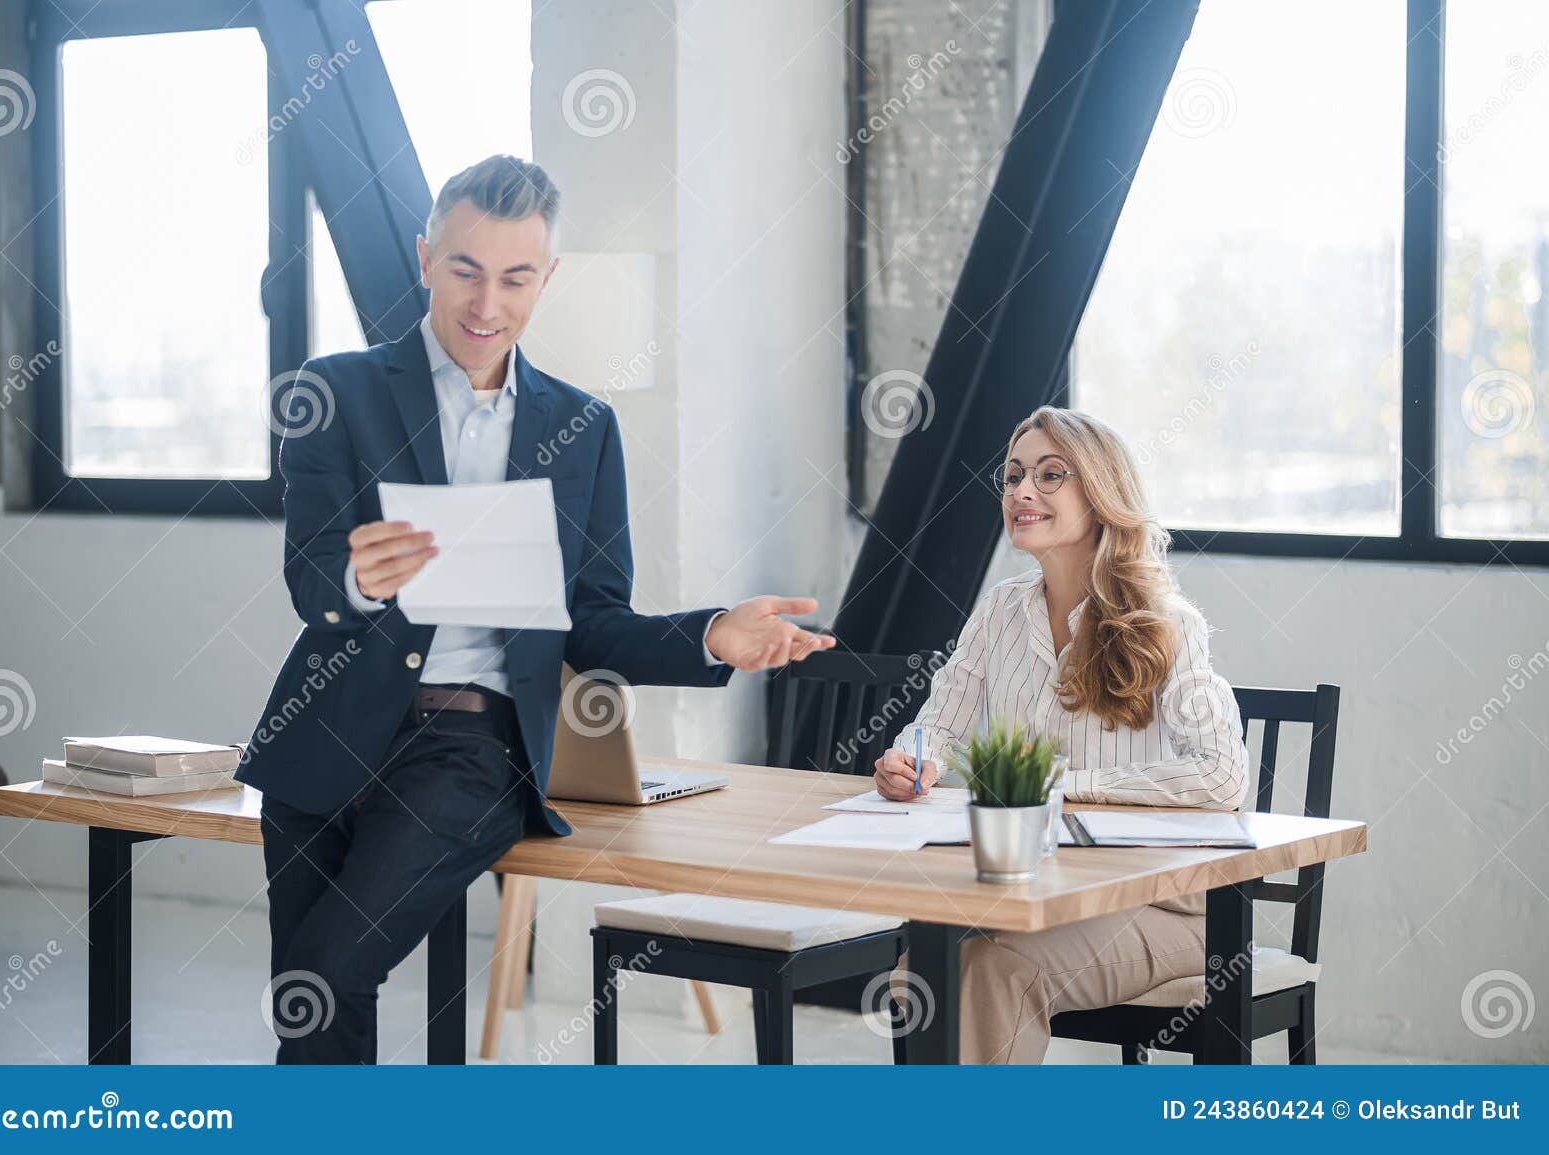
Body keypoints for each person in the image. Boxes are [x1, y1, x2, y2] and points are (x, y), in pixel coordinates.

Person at [238, 155, 834, 1063]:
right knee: (310, 1004)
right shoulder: (339, 395)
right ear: (425, 256)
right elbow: (309, 582)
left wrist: (711, 633)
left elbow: (593, 618)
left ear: (546, 278)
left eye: (516, 278)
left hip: (471, 752)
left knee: (330, 967)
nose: (488, 304)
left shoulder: (582, 429)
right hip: (324, 730)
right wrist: (360, 579)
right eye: (466, 270)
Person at [874, 405, 1249, 1064]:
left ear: (1100, 495)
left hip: (1167, 912)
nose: (1023, 491)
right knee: (923, 958)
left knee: (994, 967)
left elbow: (1221, 776)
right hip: (1039, 890)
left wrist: (1062, 787)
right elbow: (940, 721)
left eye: (1051, 475)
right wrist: (911, 760)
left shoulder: (1167, 623)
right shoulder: (999, 610)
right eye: (1014, 475)